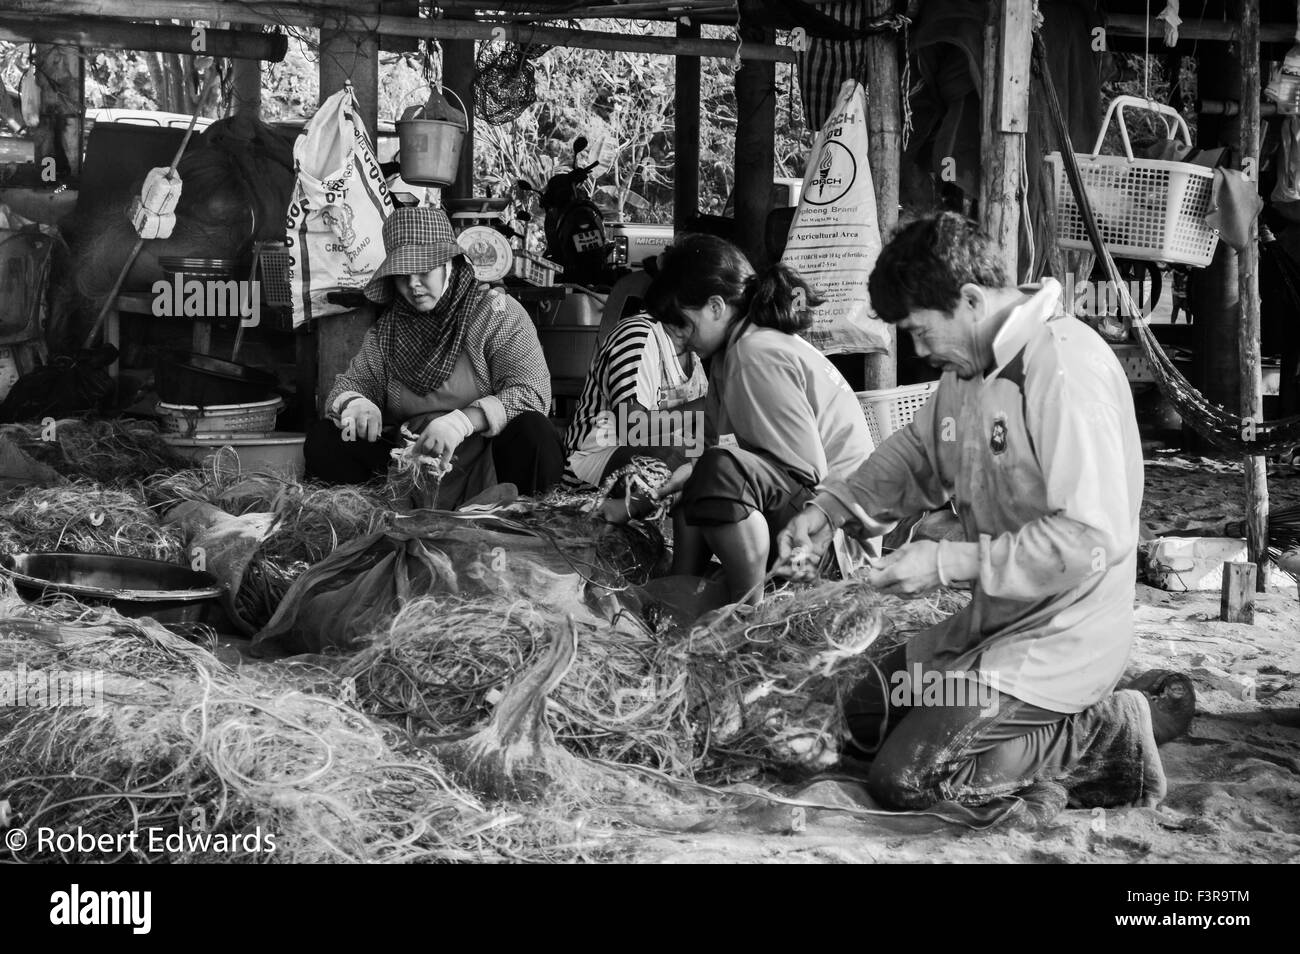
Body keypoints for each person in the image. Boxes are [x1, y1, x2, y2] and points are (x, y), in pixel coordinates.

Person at [777, 213, 1190, 821]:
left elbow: (1091, 539)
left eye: (920, 332)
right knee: (855, 721)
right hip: (991, 623)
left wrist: (946, 562)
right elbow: (917, 452)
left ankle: (1106, 731)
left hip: (1060, 636)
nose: (918, 351)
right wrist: (830, 508)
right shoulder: (966, 370)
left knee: (906, 779)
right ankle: (1012, 722)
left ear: (971, 300)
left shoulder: (1063, 369)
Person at [648, 234, 876, 603]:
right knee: (703, 474)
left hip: (829, 543)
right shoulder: (732, 352)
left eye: (681, 324)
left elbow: (808, 471)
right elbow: (712, 445)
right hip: (811, 519)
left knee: (718, 471)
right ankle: (680, 587)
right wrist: (662, 486)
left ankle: (747, 611)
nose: (679, 340)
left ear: (716, 306)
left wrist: (704, 469)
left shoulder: (756, 352)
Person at [304, 206, 564, 506]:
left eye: (424, 270)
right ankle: (364, 528)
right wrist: (356, 404)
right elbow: (347, 388)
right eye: (403, 274)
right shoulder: (388, 331)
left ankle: (528, 534)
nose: (413, 284)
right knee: (328, 438)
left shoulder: (496, 314)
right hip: (408, 476)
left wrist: (460, 423)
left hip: (487, 473)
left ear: (449, 265)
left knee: (535, 432)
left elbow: (531, 393)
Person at [562, 307, 708, 522]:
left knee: (711, 463)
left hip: (659, 466)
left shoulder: (694, 353)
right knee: (683, 455)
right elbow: (633, 428)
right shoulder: (637, 335)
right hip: (589, 473)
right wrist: (707, 405)